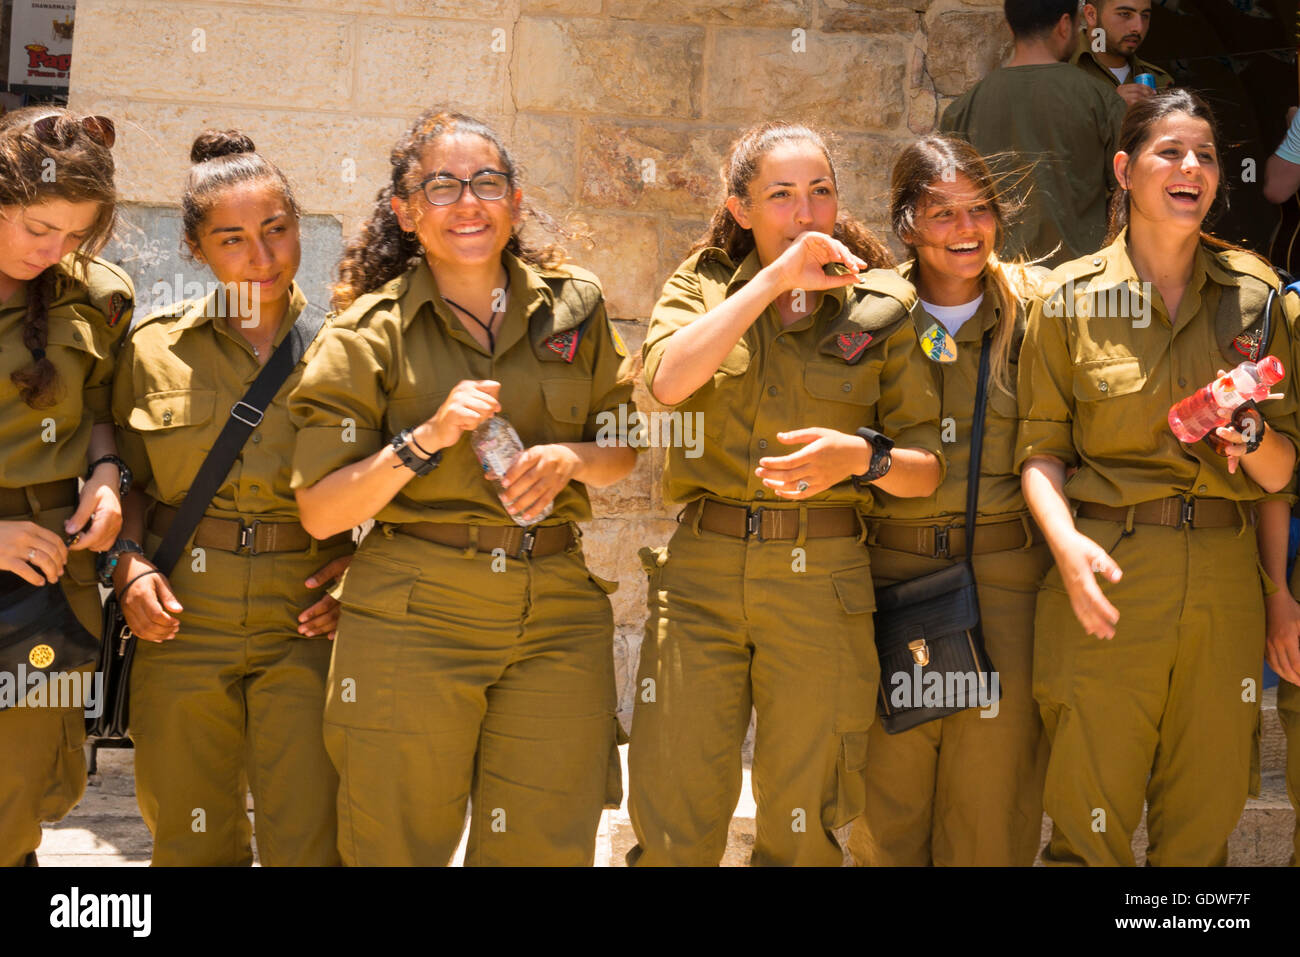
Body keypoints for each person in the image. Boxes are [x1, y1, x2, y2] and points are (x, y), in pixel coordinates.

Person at [288, 109, 637, 866]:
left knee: (545, 843)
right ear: (406, 212)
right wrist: (425, 439)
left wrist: (572, 458)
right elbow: (321, 507)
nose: (468, 202)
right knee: (396, 843)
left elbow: (624, 450)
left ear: (515, 201)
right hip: (416, 612)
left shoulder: (574, 304)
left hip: (556, 608)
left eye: (487, 182)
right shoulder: (366, 333)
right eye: (441, 186)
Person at [627, 121, 944, 867]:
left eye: (821, 192)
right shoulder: (701, 284)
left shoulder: (883, 306)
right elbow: (667, 381)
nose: (805, 213)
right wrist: (773, 280)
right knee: (675, 811)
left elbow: (926, 467)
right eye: (781, 195)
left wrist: (861, 458)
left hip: (822, 579)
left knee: (803, 825)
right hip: (702, 571)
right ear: (741, 209)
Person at [1018, 88, 1300, 866]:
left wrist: (1278, 592)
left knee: (1202, 830)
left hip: (1223, 580)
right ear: (1124, 170)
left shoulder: (1260, 296)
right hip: (1109, 569)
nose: (1191, 168)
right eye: (1170, 152)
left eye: (1206, 155)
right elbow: (1039, 452)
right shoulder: (1067, 299)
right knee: (1086, 828)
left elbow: (1283, 472)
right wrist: (1068, 550)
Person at [109, 130, 353, 866]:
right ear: (196, 249)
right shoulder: (153, 347)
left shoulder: (350, 345)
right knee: (189, 837)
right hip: (184, 617)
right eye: (234, 239)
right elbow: (122, 478)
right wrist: (127, 564)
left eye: (278, 231)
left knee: (310, 835)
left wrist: (364, 570)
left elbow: (401, 476)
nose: (263, 256)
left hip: (308, 617)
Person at [845, 135, 1052, 867]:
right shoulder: (869, 317)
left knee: (992, 807)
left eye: (980, 210)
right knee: (889, 803)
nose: (968, 229)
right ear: (906, 224)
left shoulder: (1038, 314)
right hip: (892, 580)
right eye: (944, 214)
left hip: (1005, 583)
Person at [0, 107, 132, 867]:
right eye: (39, 229)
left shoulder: (100, 295)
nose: (56, 250)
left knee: (26, 788)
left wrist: (108, 473)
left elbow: (103, 406)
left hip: (49, 572)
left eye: (77, 236)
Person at [941, 0, 1126, 267]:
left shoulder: (962, 110)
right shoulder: (1101, 100)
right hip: (1080, 285)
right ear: (1064, 25)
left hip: (999, 284)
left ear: (1010, 26)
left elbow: (947, 200)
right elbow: (1130, 192)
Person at [1070, 0, 1173, 106]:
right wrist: (1113, 108)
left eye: (1145, 16)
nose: (1138, 28)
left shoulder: (1160, 80)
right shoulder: (1060, 70)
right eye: (1125, 14)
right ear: (1091, 15)